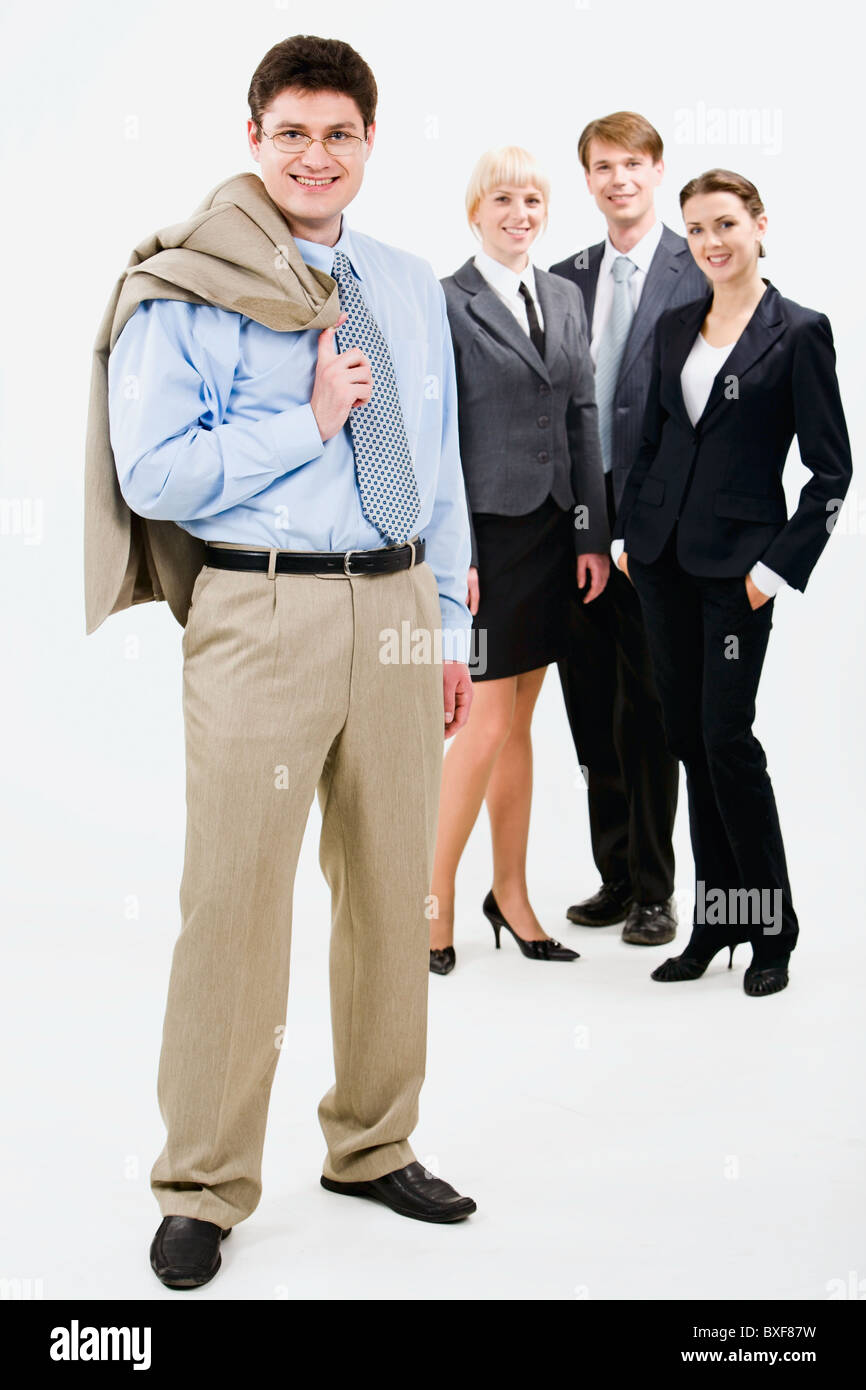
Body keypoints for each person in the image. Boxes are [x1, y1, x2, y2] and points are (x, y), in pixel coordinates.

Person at [104, 34, 479, 1289]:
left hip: (395, 605)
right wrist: (304, 420)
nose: (315, 156)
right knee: (234, 899)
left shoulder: (405, 282)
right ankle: (202, 1183)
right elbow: (153, 472)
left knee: (389, 892)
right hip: (260, 612)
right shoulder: (186, 286)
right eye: (291, 134)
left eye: (338, 134)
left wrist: (443, 622)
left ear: (369, 142)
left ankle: (372, 1143)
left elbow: (440, 459)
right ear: (253, 140)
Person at [613, 168, 852, 997]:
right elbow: (653, 438)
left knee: (726, 741)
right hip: (660, 565)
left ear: (758, 225)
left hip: (736, 573)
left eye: (725, 224)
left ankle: (771, 929)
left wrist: (772, 572)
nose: (711, 242)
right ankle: (717, 920)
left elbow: (832, 473)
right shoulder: (677, 323)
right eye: (697, 229)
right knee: (686, 741)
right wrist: (627, 535)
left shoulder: (799, 332)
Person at [429, 147, 609, 975]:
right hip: (487, 540)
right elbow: (436, 438)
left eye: (532, 200)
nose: (519, 214)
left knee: (519, 725)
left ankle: (509, 891)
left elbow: (581, 414)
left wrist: (590, 534)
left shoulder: (565, 296)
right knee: (485, 723)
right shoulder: (447, 302)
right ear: (476, 212)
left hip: (552, 533)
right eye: (503, 200)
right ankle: (430, 900)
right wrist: (453, 553)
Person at [549, 112, 707, 947]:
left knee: (647, 705)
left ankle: (654, 889)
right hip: (575, 516)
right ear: (588, 179)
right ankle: (613, 876)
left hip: (658, 520)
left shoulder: (697, 266)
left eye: (633, 164)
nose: (619, 179)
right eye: (603, 166)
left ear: (657, 170)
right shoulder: (565, 278)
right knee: (589, 700)